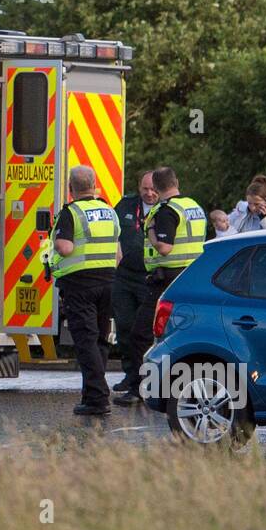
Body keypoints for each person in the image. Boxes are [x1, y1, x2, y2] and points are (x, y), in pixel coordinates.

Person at [113, 165, 207, 406]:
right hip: (191, 279)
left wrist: (152, 233)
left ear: (157, 186)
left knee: (140, 335)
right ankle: (180, 388)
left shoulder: (166, 211)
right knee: (181, 336)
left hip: (165, 280)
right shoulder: (193, 206)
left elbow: (165, 247)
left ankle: (140, 390)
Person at [50, 165, 121, 416]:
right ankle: (92, 395)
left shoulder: (71, 213)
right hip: (109, 282)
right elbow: (118, 254)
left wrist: (56, 247)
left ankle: (98, 398)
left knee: (85, 341)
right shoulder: (109, 211)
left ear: (70, 189)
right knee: (101, 340)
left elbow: (66, 248)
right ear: (94, 184)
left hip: (80, 286)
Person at [110, 169, 156, 395]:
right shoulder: (127, 205)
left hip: (149, 278)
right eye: (145, 189)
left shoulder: (167, 209)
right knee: (125, 327)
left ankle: (148, 379)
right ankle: (131, 375)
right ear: (139, 187)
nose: (149, 194)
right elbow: (113, 232)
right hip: (125, 276)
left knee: (146, 331)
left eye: (153, 189)